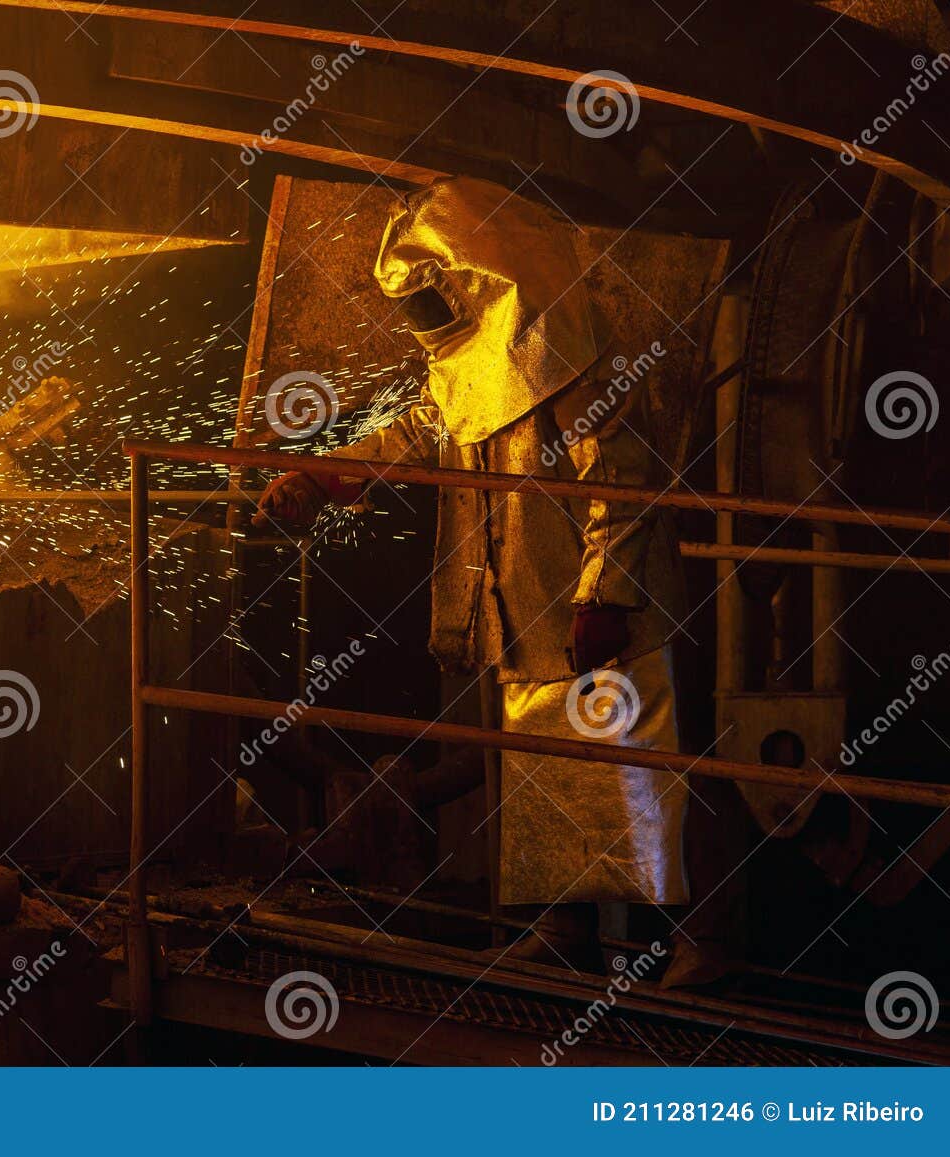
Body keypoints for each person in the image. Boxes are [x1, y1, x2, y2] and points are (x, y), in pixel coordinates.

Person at [255, 176, 689, 972]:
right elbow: (417, 434)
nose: (422, 318)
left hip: (605, 612)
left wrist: (605, 594)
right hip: (533, 605)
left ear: (475, 279)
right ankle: (570, 935)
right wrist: (320, 472)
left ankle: (682, 945)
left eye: (429, 297)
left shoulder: (573, 358)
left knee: (639, 768)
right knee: (555, 767)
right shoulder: (469, 368)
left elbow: (625, 485)